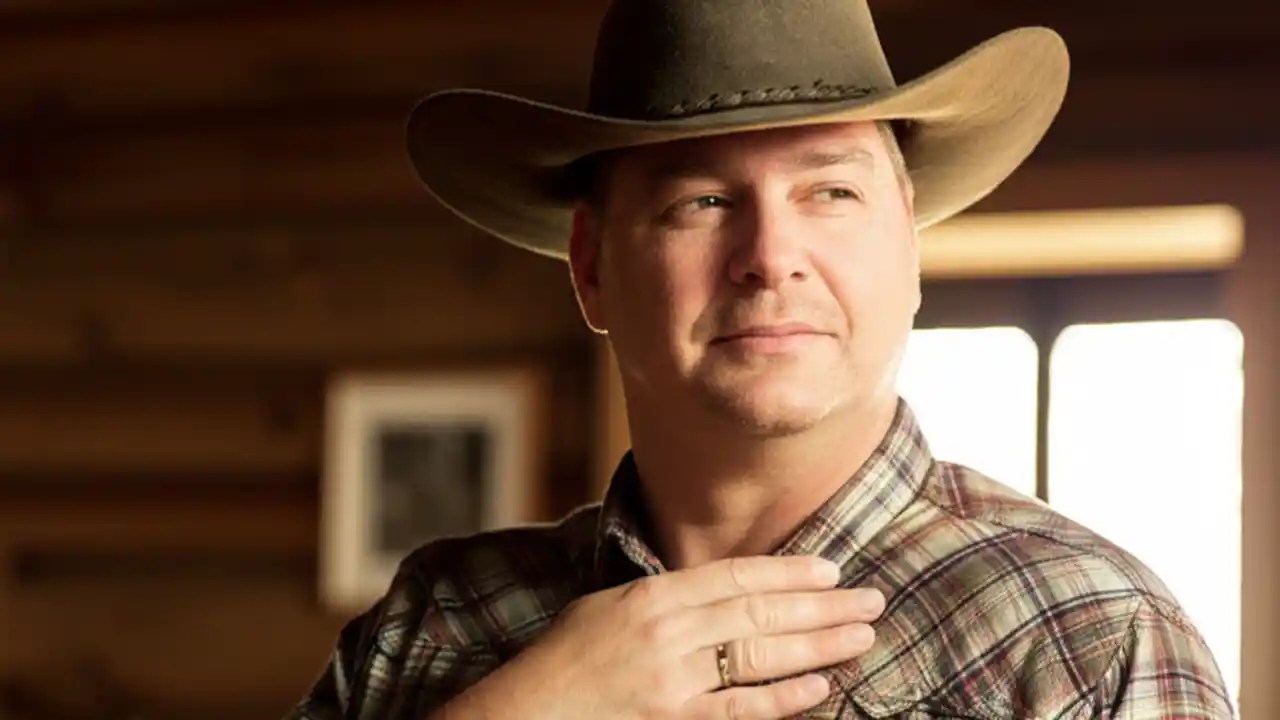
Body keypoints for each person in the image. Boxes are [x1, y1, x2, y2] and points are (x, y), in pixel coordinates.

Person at [288, 1, 1234, 718]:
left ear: (909, 243)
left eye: (828, 192)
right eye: (700, 201)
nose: (770, 254)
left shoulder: (1092, 641)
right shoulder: (436, 626)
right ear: (592, 269)